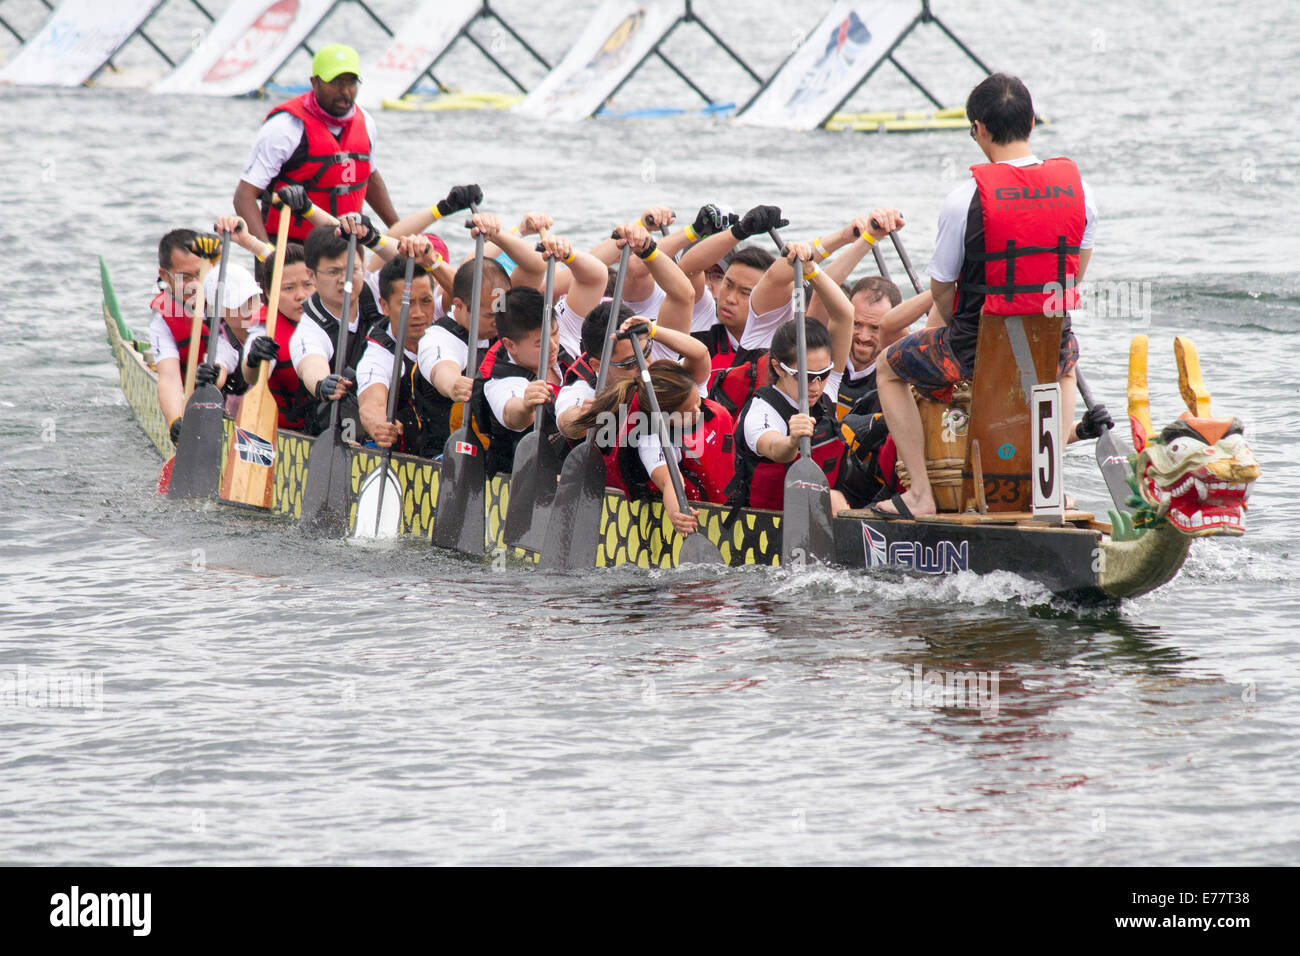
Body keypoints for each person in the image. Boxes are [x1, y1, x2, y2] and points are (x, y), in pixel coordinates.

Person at [874, 73, 1108, 518]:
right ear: (1031, 124)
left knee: (887, 368)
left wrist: (958, 325)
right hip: (1049, 344)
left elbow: (942, 288)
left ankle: (920, 494)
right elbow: (1074, 277)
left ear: (979, 129)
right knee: (1066, 363)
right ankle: (1049, 486)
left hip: (973, 346)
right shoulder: (1082, 194)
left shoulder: (963, 199)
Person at [729, 243, 858, 515]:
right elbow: (775, 448)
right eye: (805, 377)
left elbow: (845, 315)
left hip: (819, 513)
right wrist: (791, 441)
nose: (816, 386)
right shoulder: (761, 411)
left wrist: (812, 270)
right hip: (765, 525)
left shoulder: (825, 388)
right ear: (777, 366)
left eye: (823, 375)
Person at [570, 319, 729, 536]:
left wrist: (653, 330)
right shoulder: (651, 438)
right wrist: (677, 514)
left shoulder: (679, 389)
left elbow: (700, 353)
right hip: (685, 518)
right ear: (663, 416)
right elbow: (669, 482)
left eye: (698, 403)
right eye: (689, 410)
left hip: (726, 506)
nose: (698, 412)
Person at [233, 44, 398, 243]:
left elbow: (369, 178)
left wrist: (399, 232)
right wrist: (266, 252)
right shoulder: (285, 128)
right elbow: (244, 195)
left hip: (346, 246)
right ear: (314, 82)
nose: (345, 91)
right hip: (291, 249)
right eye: (336, 82)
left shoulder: (367, 124)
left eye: (352, 82)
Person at [289, 222, 386, 439]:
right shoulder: (310, 329)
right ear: (312, 276)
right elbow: (311, 364)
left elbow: (406, 258)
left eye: (352, 270)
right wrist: (323, 384)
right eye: (334, 272)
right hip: (334, 425)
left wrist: (373, 238)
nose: (345, 279)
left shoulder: (378, 292)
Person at [356, 244, 443, 456]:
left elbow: (466, 290)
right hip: (404, 452)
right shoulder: (378, 354)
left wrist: (433, 260)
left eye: (426, 302)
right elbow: (370, 404)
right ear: (384, 306)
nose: (419, 314)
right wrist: (379, 424)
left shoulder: (445, 320)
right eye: (407, 304)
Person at [471, 287, 562, 477]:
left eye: (555, 333)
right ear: (510, 345)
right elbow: (512, 415)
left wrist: (569, 258)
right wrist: (526, 405)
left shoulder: (557, 336)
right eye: (540, 343)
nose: (554, 346)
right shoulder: (500, 384)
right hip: (523, 481)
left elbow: (595, 279)